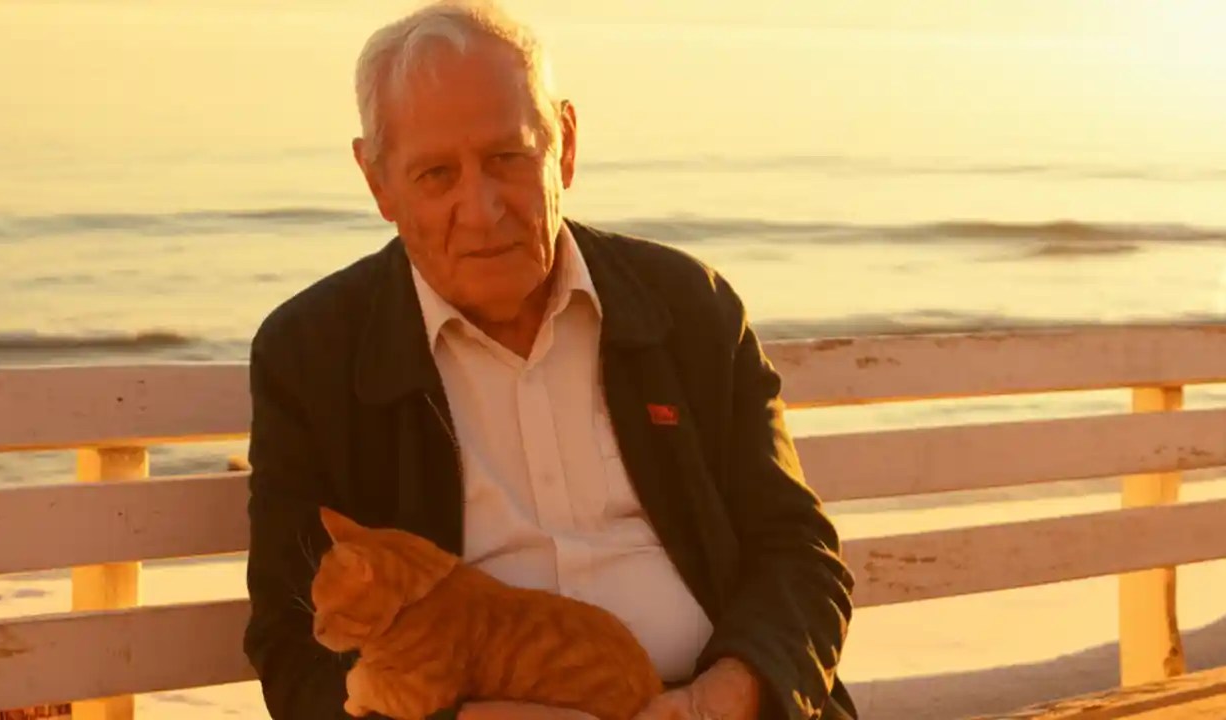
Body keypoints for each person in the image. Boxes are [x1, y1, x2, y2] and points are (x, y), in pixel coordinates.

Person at [241, 2, 857, 718]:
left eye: (507, 158)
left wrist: (724, 699)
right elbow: (295, 647)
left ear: (563, 142)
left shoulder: (689, 309)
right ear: (377, 182)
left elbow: (799, 555)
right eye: (436, 175)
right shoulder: (312, 356)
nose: (481, 208)